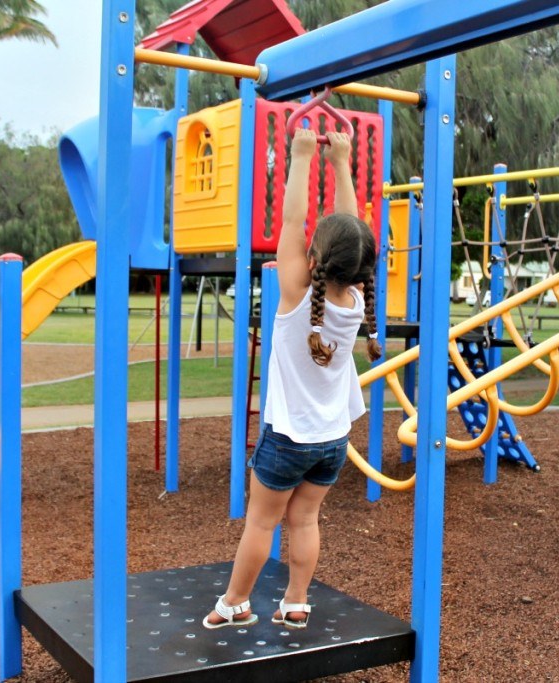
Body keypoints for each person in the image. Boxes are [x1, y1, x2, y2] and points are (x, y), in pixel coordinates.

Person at [203, 127, 382, 630]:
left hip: (287, 438)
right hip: (332, 439)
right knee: (304, 519)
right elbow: (353, 233)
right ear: (361, 269)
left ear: (312, 261)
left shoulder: (295, 295)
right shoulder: (357, 302)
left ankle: (235, 602)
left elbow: (292, 219)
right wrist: (341, 163)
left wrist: (299, 156)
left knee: (262, 520)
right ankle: (296, 601)